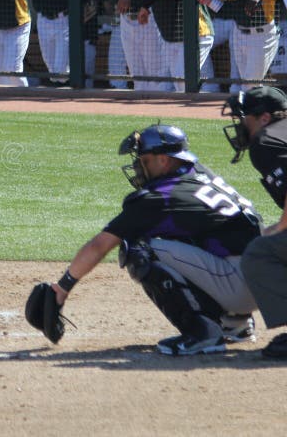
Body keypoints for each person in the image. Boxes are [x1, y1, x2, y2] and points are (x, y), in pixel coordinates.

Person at [44, 124, 261, 356]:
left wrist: (63, 287)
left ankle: (202, 333)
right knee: (179, 237)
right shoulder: (200, 174)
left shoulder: (160, 197)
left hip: (239, 285)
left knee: (140, 250)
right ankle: (234, 323)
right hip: (261, 280)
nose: (138, 166)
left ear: (164, 160)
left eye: (144, 160)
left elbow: (101, 244)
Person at [223, 86, 287, 358]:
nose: (240, 125)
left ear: (263, 118)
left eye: (244, 118)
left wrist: (280, 227)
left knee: (262, 251)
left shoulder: (266, 140)